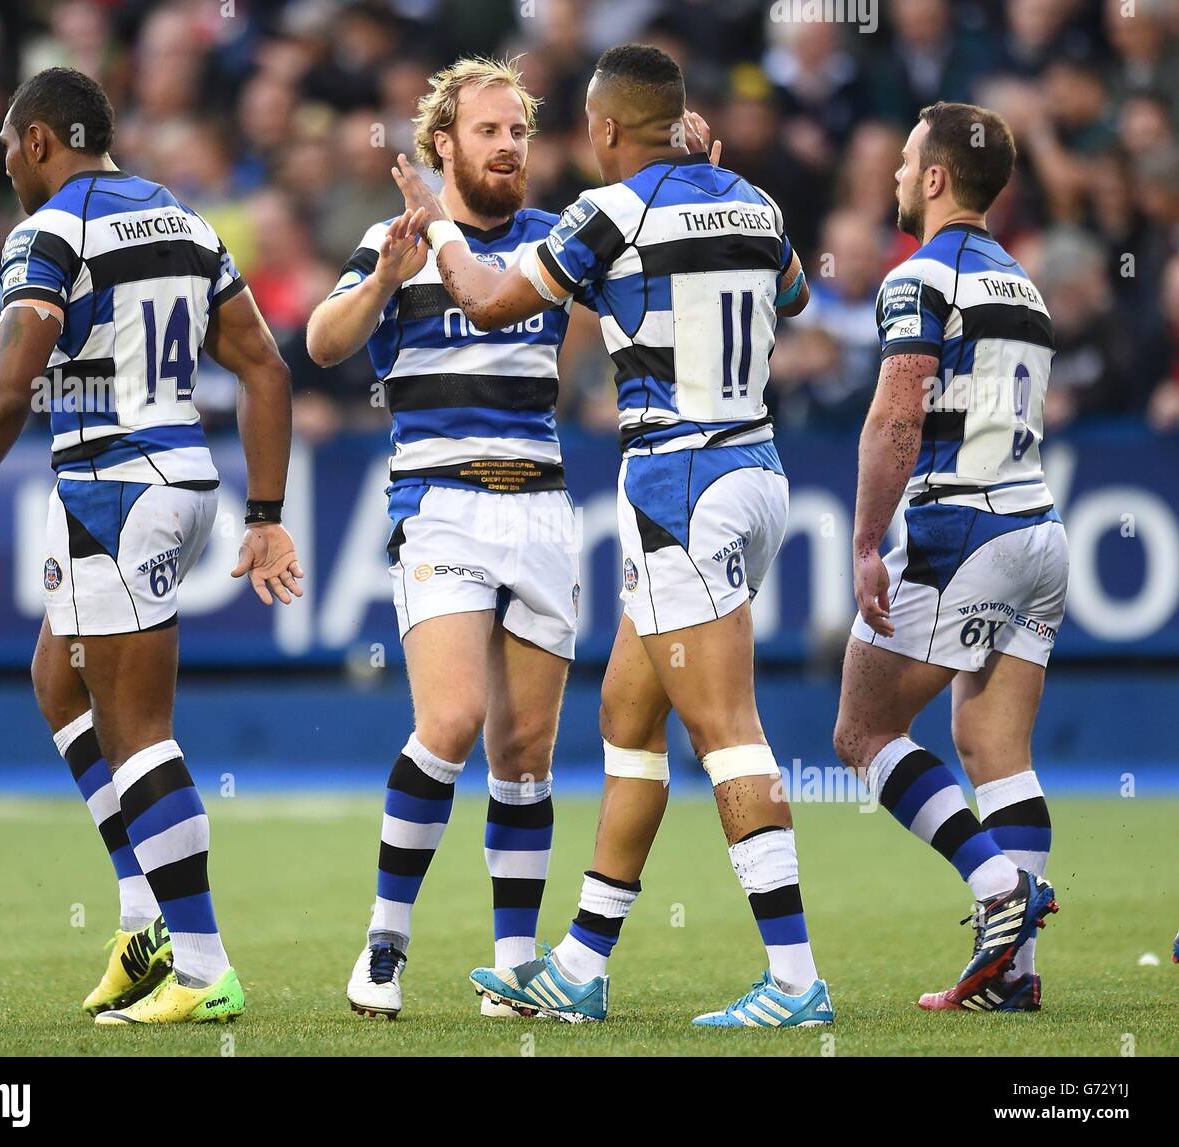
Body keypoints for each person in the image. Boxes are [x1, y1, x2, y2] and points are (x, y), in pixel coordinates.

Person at [392, 43, 833, 1029]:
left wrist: (439, 227)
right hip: (757, 472)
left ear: (604, 129)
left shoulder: (608, 212)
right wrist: (717, 182)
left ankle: (797, 979)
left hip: (679, 485)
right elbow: (796, 298)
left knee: (725, 730)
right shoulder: (753, 202)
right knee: (630, 719)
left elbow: (489, 301)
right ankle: (582, 963)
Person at [0, 67, 303, 1025]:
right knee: (57, 677)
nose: (3, 162)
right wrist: (264, 511)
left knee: (136, 728)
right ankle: (140, 916)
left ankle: (202, 966)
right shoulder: (189, 222)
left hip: (115, 490)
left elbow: (3, 390)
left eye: (7, 144)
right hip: (182, 482)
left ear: (39, 141)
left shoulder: (51, 232)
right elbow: (265, 368)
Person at [305, 57, 577, 1020]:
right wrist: (382, 280)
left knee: (528, 751)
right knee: (451, 719)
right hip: (442, 502)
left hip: (541, 503)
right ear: (442, 144)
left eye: (519, 132)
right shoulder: (394, 238)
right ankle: (386, 940)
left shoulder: (557, 240)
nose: (509, 146)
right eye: (490, 131)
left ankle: (515, 965)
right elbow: (323, 343)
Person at [832, 101, 1061, 1012]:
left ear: (934, 179)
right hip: (1040, 529)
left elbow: (899, 412)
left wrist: (862, 542)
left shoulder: (919, 276)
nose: (892, 176)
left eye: (903, 161)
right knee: (994, 747)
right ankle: (1014, 977)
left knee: (861, 730)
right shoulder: (1024, 281)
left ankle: (999, 889)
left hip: (961, 528)